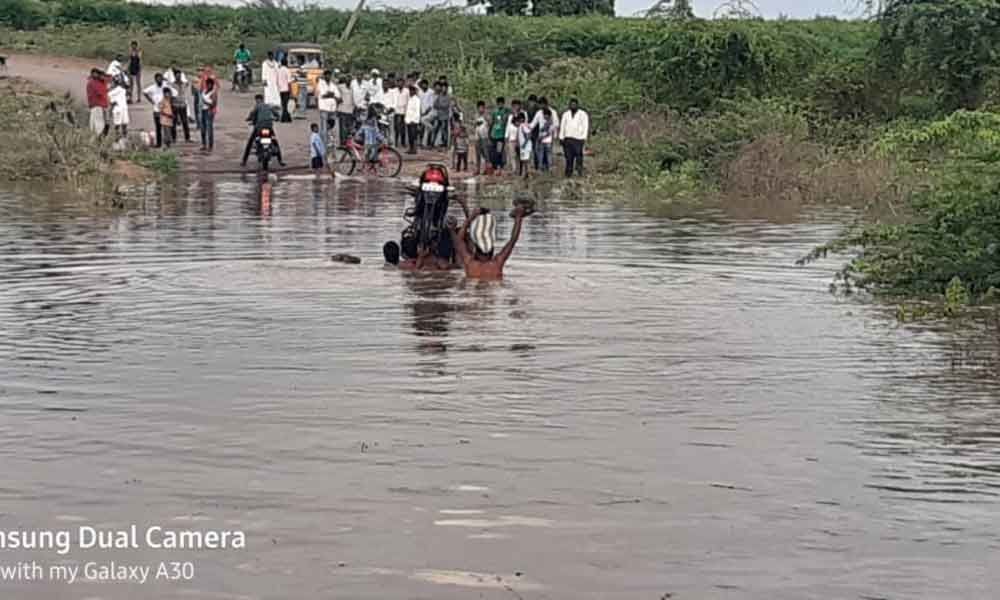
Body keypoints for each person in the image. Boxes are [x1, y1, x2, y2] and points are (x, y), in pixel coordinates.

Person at [449, 198, 529, 280]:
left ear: (476, 249)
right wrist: (518, 218)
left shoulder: (470, 263)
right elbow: (513, 240)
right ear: (492, 249)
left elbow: (459, 241)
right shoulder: (497, 263)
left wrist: (471, 217)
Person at [242, 94, 285, 167]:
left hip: (259, 127)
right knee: (275, 142)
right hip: (269, 126)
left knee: (250, 142)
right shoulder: (268, 106)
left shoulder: (257, 106)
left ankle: (244, 161)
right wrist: (277, 118)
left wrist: (249, 119)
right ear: (263, 99)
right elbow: (277, 114)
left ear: (256, 100)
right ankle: (280, 160)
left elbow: (252, 115)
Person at [142, 72, 175, 148]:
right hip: (156, 110)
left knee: (167, 127)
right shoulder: (153, 87)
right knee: (158, 127)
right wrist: (151, 101)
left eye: (160, 78)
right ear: (155, 80)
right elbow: (144, 92)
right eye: (158, 79)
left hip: (166, 110)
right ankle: (159, 143)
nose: (159, 80)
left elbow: (173, 93)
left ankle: (168, 142)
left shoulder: (165, 86)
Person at [560, 98, 589, 177]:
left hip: (578, 139)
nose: (573, 106)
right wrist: (561, 137)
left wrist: (584, 137)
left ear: (577, 105)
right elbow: (562, 126)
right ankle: (568, 173)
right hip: (568, 138)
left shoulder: (583, 114)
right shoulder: (566, 114)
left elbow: (585, 126)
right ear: (569, 105)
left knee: (578, 156)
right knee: (568, 157)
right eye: (571, 104)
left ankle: (579, 171)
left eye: (574, 104)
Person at [164, 66, 191, 143]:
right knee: (174, 122)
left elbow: (187, 83)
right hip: (175, 105)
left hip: (182, 105)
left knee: (185, 122)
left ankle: (187, 138)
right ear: (175, 76)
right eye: (177, 75)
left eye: (179, 75)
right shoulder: (172, 85)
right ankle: (174, 138)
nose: (178, 76)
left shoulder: (183, 84)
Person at [316, 70, 340, 145]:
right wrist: (331, 95)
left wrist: (330, 95)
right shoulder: (320, 84)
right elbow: (323, 95)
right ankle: (323, 142)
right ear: (324, 76)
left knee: (331, 126)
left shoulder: (333, 85)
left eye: (329, 75)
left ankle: (328, 140)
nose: (328, 77)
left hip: (332, 108)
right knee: (324, 126)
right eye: (327, 75)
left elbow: (338, 96)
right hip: (323, 108)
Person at [86, 69, 110, 136]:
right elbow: (100, 93)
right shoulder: (94, 82)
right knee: (98, 126)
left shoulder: (98, 82)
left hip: (98, 106)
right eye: (100, 74)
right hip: (97, 106)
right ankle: (100, 140)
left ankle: (99, 140)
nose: (102, 76)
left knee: (96, 126)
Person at [489, 97, 510, 173]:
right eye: (499, 103)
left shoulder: (506, 111)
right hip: (494, 134)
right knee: (493, 151)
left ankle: (500, 166)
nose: (500, 105)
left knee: (499, 151)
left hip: (501, 135)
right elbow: (492, 122)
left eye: (501, 103)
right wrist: (490, 133)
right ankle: (495, 165)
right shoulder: (495, 112)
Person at [199, 76, 218, 152]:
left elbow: (214, 104)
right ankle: (204, 144)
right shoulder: (204, 91)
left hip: (209, 111)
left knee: (209, 129)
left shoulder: (213, 93)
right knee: (203, 129)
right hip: (203, 110)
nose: (209, 86)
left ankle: (210, 146)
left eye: (210, 84)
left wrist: (204, 102)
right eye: (208, 84)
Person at [431, 83, 452, 149]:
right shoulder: (439, 96)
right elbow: (434, 105)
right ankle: (432, 143)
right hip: (439, 116)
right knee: (436, 130)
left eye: (445, 88)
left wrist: (440, 106)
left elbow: (446, 106)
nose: (444, 89)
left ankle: (445, 144)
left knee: (444, 131)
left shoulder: (448, 97)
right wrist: (440, 106)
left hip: (445, 117)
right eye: (443, 88)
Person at [336, 76, 356, 145]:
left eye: (350, 80)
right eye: (347, 80)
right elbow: (336, 95)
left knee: (349, 128)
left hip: (350, 110)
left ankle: (347, 142)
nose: (348, 81)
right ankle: (342, 142)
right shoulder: (340, 87)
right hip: (342, 110)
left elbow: (352, 98)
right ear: (345, 80)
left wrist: (354, 108)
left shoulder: (352, 88)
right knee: (342, 128)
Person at [404, 85, 421, 155]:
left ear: (415, 91)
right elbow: (408, 110)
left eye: (412, 90)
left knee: (414, 135)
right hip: (409, 119)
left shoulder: (417, 99)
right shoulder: (410, 99)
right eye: (410, 90)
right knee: (410, 135)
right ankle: (411, 148)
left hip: (414, 120)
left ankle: (414, 149)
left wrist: (414, 120)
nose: (411, 92)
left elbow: (417, 111)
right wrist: (407, 119)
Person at [393, 78, 409, 148]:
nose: (400, 84)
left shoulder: (407, 91)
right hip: (396, 111)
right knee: (396, 128)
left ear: (403, 83)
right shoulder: (393, 91)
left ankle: (403, 142)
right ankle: (395, 142)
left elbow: (408, 101)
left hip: (403, 111)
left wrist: (407, 111)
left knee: (403, 128)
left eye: (401, 82)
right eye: (399, 82)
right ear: (397, 83)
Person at [419, 80, 436, 147]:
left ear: (427, 85)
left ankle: (433, 128)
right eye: (423, 84)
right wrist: (420, 112)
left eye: (425, 84)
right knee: (426, 129)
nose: (424, 86)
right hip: (421, 112)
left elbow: (431, 105)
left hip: (430, 112)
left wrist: (425, 112)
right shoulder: (420, 92)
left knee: (422, 121)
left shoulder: (431, 92)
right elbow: (419, 103)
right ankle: (424, 143)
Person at [277, 58, 292, 123]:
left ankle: (286, 118)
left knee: (283, 104)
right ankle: (285, 118)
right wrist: (290, 90)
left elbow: (277, 80)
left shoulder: (279, 70)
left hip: (280, 89)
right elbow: (289, 82)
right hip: (286, 89)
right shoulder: (287, 70)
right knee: (286, 105)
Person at [505, 108, 519, 176]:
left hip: (517, 142)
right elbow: (507, 132)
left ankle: (516, 169)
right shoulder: (510, 126)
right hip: (511, 142)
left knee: (516, 156)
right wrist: (507, 140)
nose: (517, 123)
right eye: (516, 122)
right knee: (511, 156)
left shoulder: (518, 127)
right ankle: (513, 169)